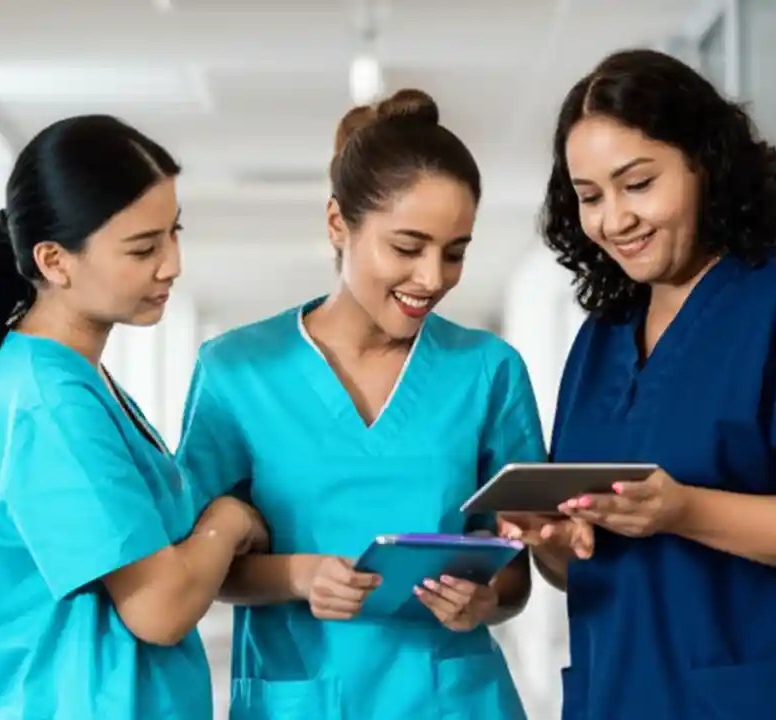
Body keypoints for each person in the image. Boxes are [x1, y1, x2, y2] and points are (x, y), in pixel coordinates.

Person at [500, 50, 776, 719]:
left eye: (638, 183)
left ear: (705, 166)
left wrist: (685, 510)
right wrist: (554, 543)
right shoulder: (603, 337)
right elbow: (593, 564)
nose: (614, 219)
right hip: (622, 697)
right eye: (590, 197)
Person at [174, 89, 542, 719]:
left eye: (455, 252)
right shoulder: (237, 371)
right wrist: (296, 576)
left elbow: (515, 572)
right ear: (338, 225)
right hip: (302, 697)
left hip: (455, 700)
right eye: (407, 247)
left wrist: (484, 602)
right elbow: (197, 569)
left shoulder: (489, 371)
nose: (432, 278)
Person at [0, 115, 267, 720]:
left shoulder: (74, 379)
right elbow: (161, 608)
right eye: (143, 248)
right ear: (54, 260)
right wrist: (228, 521)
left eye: (173, 233)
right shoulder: (46, 404)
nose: (172, 264)